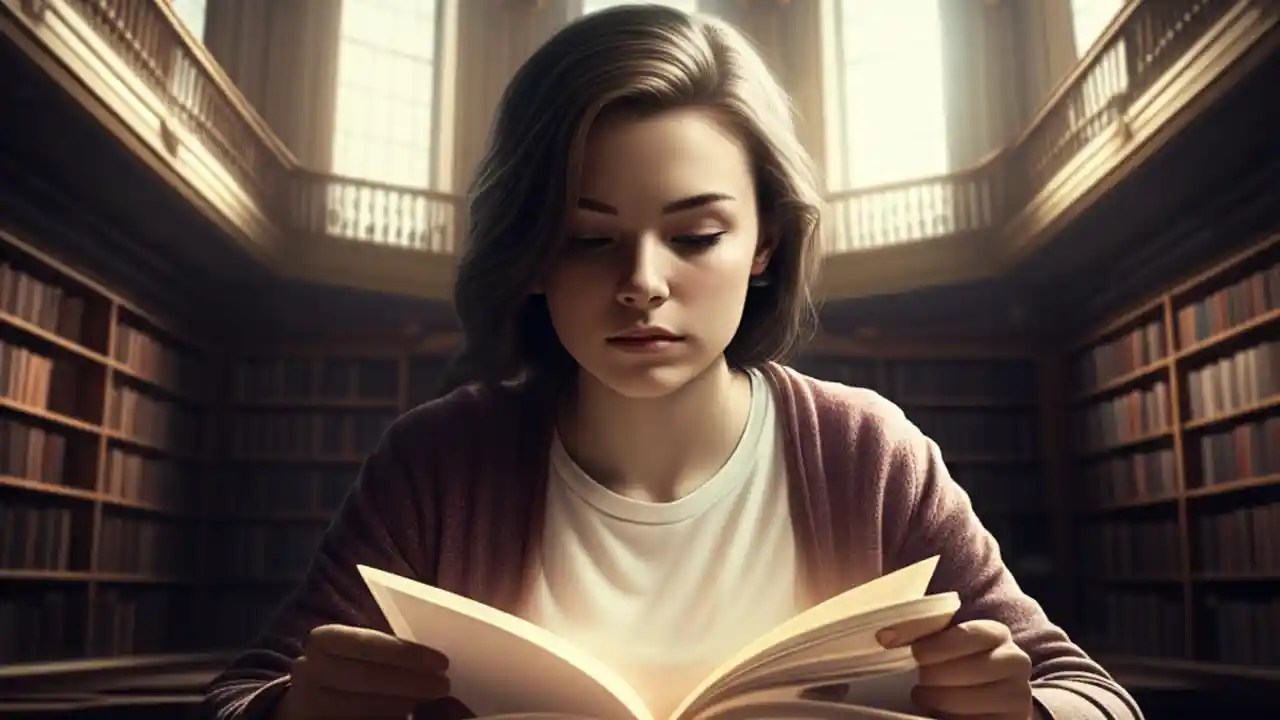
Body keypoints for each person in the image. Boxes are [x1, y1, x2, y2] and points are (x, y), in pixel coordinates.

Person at [203, 5, 1142, 720]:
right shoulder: (439, 461)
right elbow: (239, 697)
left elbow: (1094, 695)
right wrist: (294, 709)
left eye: (695, 235)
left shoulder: (868, 452)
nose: (642, 284)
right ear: (530, 254)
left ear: (765, 242)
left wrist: (1026, 709)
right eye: (585, 239)